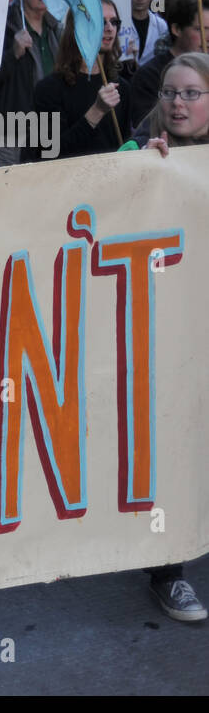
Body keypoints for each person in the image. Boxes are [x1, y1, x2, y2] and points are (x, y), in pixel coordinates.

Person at [134, 52, 209, 623]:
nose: (178, 103)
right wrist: (137, 172)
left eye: (191, 93)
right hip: (163, 330)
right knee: (173, 452)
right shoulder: (139, 153)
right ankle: (168, 571)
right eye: (170, 93)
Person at [31, 0, 130, 160]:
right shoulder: (49, 89)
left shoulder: (121, 88)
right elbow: (48, 152)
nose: (110, 28)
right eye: (100, 22)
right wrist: (97, 111)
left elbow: (126, 145)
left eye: (114, 22)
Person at [0, 0, 63, 164]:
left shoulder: (55, 28)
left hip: (50, 129)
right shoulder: (1, 24)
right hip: (12, 131)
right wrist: (13, 54)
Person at [129, 0, 209, 124]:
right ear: (177, 29)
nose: (208, 37)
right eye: (200, 29)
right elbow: (148, 129)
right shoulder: (150, 75)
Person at [119, 0, 167, 69]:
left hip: (151, 74)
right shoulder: (121, 22)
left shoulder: (160, 25)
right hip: (125, 71)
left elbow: (163, 53)